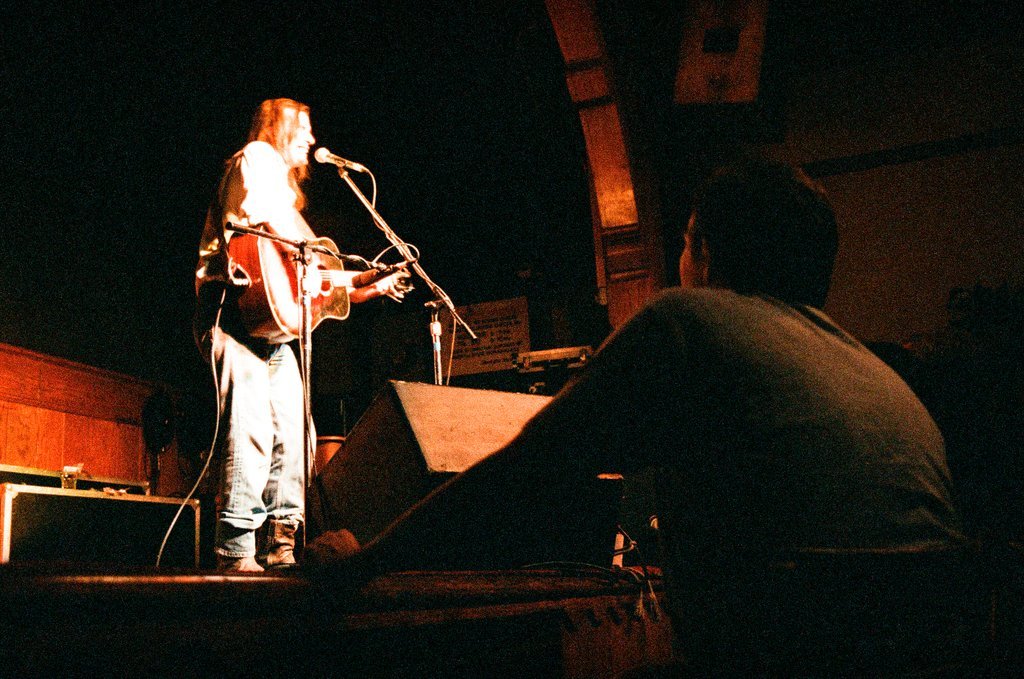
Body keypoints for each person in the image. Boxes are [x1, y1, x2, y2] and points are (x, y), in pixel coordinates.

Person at [308, 159, 969, 673]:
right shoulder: (882, 376)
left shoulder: (690, 319)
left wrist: (368, 561)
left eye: (684, 241)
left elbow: (522, 472)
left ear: (704, 251)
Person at [195, 98, 407, 572]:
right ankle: (235, 551)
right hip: (235, 317)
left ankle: (282, 545)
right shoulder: (256, 159)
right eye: (304, 128)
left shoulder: (288, 203)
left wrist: (362, 284)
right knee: (248, 429)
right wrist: (325, 259)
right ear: (277, 126)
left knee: (296, 435)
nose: (312, 139)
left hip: (271, 328)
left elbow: (307, 282)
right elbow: (279, 235)